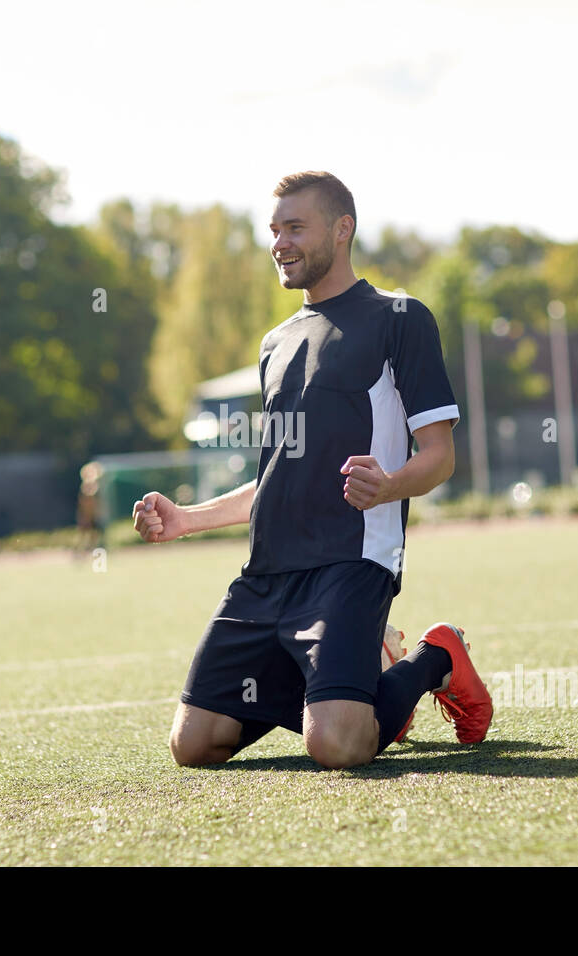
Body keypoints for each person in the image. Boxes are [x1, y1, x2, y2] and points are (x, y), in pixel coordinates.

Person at [133, 171, 492, 769]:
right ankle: (358, 679)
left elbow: (439, 454)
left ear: (342, 229)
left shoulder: (399, 318)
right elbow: (275, 478)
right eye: (274, 230)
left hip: (350, 566)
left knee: (337, 745)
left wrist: (390, 486)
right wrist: (185, 521)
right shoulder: (276, 343)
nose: (279, 242)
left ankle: (435, 657)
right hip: (268, 572)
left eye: (295, 227)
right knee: (193, 746)